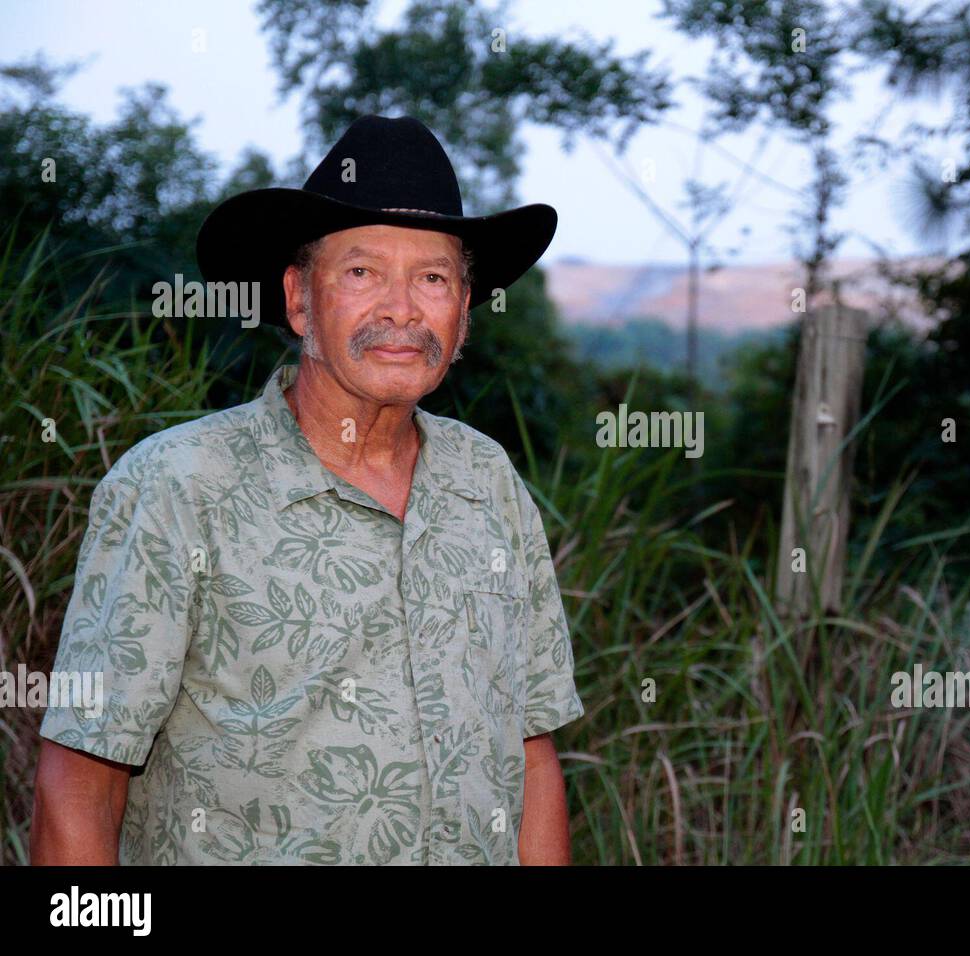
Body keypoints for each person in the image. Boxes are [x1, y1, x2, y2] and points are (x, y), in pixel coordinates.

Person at [31, 114, 584, 865]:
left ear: (461, 314)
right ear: (298, 299)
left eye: (432, 278)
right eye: (362, 272)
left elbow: (531, 746)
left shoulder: (488, 482)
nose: (402, 309)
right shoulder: (178, 486)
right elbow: (80, 777)